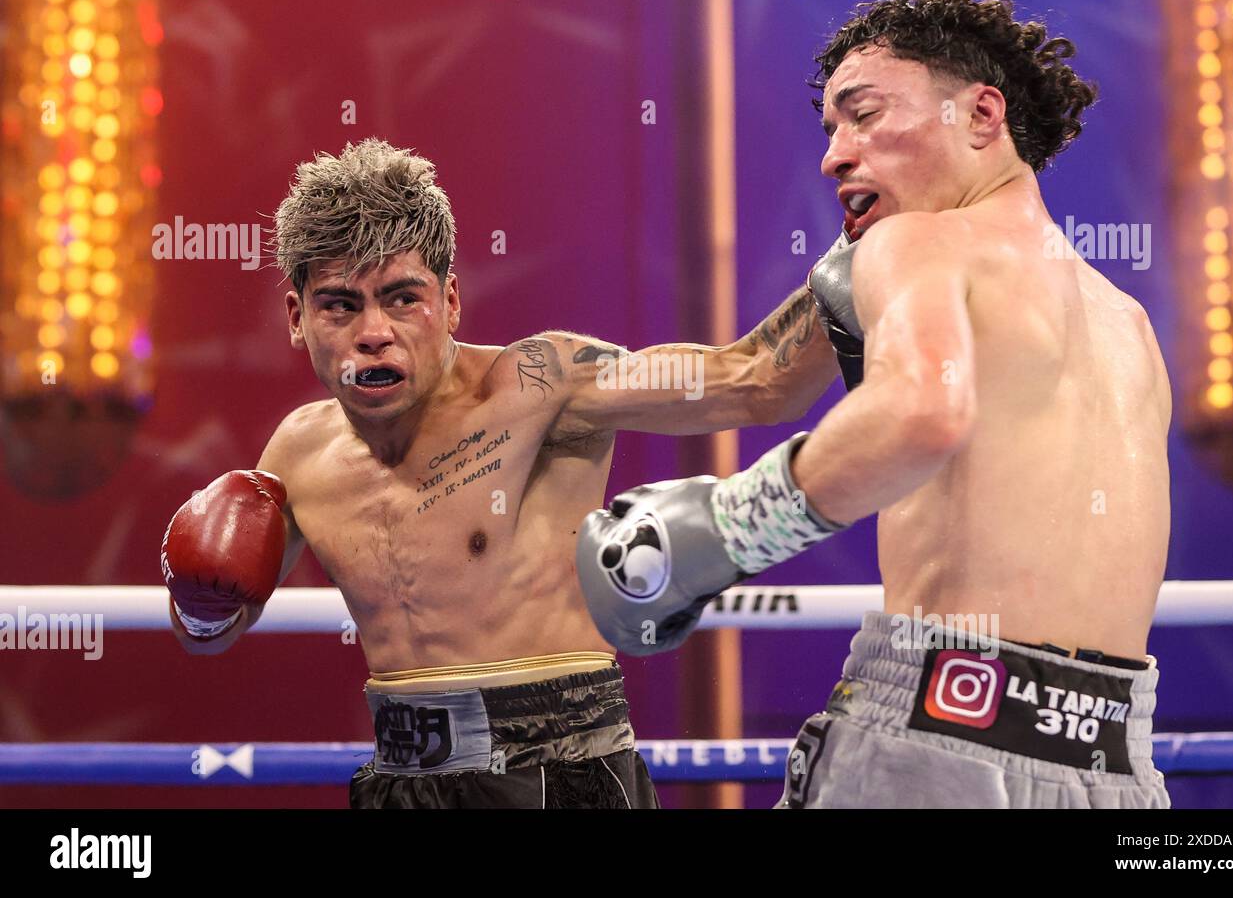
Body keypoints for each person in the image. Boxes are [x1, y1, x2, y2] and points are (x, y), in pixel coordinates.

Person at [577, 0, 1173, 808]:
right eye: (831, 129)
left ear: (981, 115)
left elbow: (922, 411)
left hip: (939, 734)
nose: (834, 155)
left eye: (862, 115)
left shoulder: (915, 241)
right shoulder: (1129, 323)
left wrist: (721, 529)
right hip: (1116, 765)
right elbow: (759, 373)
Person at [159, 138, 840, 808]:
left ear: (450, 301)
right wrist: (200, 598)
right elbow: (211, 631)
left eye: (402, 299)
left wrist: (862, 250)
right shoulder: (297, 453)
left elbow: (758, 381)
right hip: (401, 784)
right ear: (296, 318)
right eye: (340, 304)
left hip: (558, 775)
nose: (373, 331)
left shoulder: (543, 384)